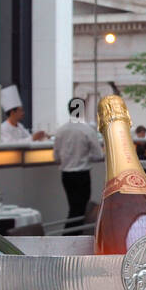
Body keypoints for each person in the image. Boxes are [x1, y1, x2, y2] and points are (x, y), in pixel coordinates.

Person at [52, 97, 103, 228]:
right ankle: (70, 234)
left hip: (66, 175)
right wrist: (85, 156)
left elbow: (56, 157)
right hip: (82, 174)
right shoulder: (87, 130)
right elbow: (98, 155)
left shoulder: (60, 131)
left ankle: (71, 234)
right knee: (80, 208)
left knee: (73, 206)